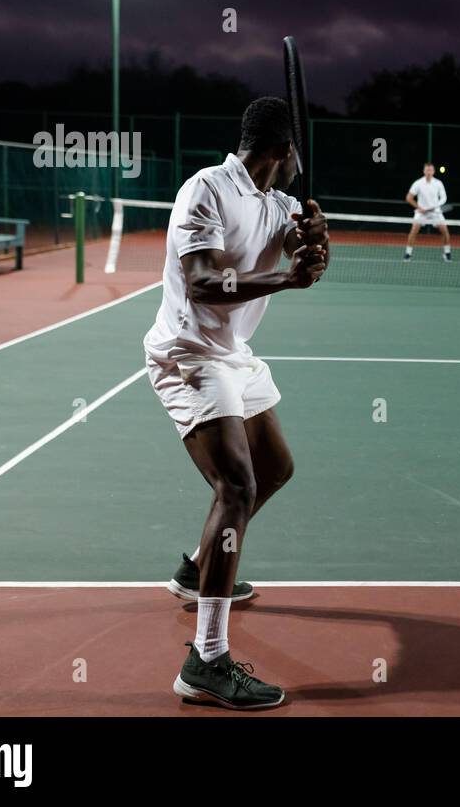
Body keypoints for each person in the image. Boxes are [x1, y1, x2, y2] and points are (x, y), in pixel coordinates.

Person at [143, 96, 329, 709]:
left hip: (232, 355)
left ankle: (196, 572)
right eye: (298, 151)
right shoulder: (206, 190)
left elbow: (299, 253)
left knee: (275, 467)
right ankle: (207, 661)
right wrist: (288, 278)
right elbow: (202, 282)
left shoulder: (276, 204)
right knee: (238, 487)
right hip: (188, 354)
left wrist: (313, 248)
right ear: (284, 151)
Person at [404, 162, 452, 261]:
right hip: (421, 213)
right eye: (427, 170)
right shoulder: (418, 183)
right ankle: (408, 253)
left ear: (433, 171)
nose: (429, 172)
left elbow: (444, 198)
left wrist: (435, 207)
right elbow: (409, 198)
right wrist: (419, 208)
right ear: (424, 171)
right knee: (413, 231)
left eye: (430, 170)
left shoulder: (438, 183)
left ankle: (447, 253)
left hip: (435, 213)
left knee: (445, 231)